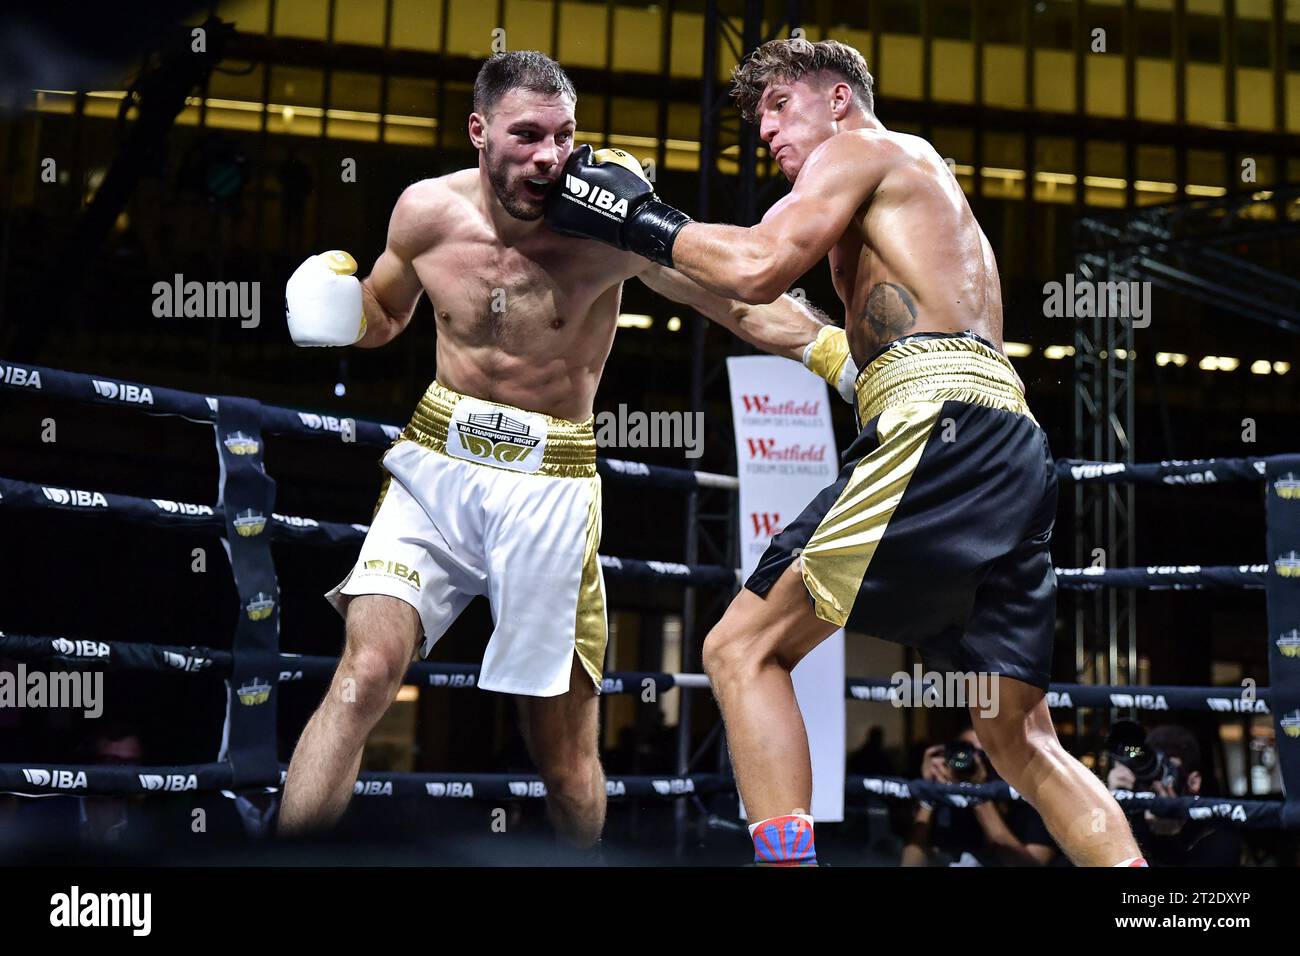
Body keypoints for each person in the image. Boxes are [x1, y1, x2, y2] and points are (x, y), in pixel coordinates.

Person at [546, 36, 1147, 867]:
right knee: (1017, 739)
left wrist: (642, 215)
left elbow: (756, 267)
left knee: (739, 649)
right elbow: (781, 321)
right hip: (1002, 442)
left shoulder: (863, 148)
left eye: (778, 107)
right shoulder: (904, 218)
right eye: (758, 123)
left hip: (936, 432)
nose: (767, 132)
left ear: (837, 99)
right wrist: (640, 252)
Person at [277, 50, 847, 849]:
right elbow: (386, 310)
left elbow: (742, 306)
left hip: (550, 482)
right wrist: (341, 311)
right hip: (437, 460)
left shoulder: (609, 229)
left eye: (564, 137)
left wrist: (844, 357)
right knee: (364, 675)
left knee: (565, 759)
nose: (549, 156)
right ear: (479, 131)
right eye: (527, 135)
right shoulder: (424, 213)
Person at [903, 726, 1058, 867]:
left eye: (984, 754)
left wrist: (976, 794)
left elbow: (1028, 865)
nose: (974, 761)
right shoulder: (945, 797)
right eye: (965, 752)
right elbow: (910, 863)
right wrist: (929, 791)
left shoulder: (1029, 799)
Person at [1106, 722, 1243, 866]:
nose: (1154, 782)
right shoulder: (1132, 819)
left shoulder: (1218, 836)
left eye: (1164, 772)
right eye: (1147, 771)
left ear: (1193, 782)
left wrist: (1166, 838)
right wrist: (1112, 806)